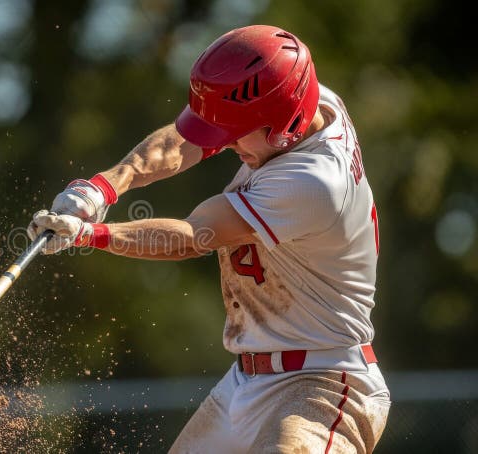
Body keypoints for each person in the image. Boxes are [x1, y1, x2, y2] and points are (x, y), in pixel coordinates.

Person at [27, 24, 390, 453]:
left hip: (322, 386)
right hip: (246, 380)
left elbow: (191, 236)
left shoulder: (312, 183)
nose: (227, 143)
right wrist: (102, 187)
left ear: (285, 125)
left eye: (236, 133)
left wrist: (91, 234)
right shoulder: (304, 100)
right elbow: (186, 142)